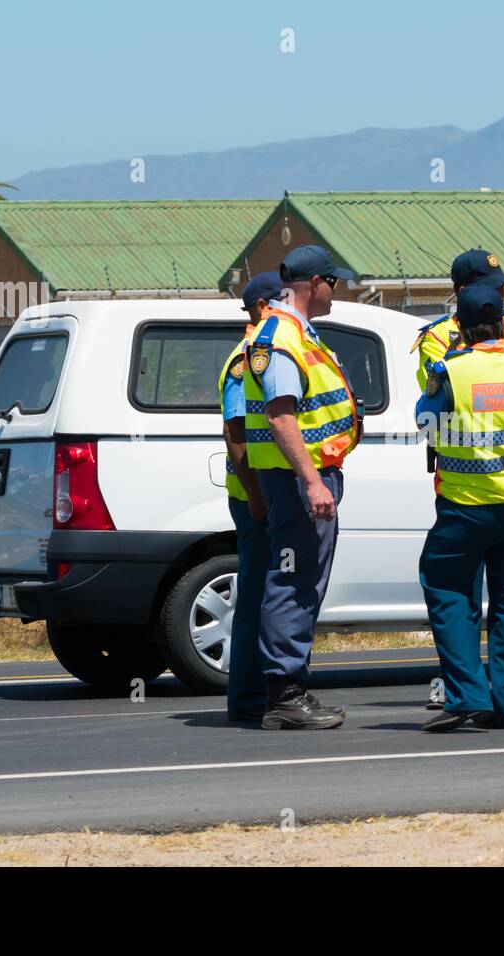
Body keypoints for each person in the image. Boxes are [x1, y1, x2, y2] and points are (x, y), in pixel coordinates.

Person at [412, 248, 504, 710]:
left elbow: (431, 414)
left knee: (462, 589)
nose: (501, 293)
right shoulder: (439, 338)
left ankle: (494, 688)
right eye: (494, 288)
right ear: (462, 292)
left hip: (471, 489)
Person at [243, 245, 359, 730]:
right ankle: (285, 693)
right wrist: (311, 481)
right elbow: (281, 415)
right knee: (292, 581)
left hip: (304, 478)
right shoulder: (281, 338)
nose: (338, 290)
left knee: (298, 578)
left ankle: (287, 690)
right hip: (297, 481)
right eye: (335, 281)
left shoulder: (297, 333)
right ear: (315, 285)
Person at [219, 272, 283, 722]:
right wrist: (258, 496)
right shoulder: (247, 360)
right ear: (263, 305)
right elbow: (236, 433)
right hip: (254, 496)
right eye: (281, 300)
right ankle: (246, 700)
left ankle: (260, 695)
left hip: (263, 493)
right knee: (257, 599)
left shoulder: (268, 350)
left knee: (267, 597)